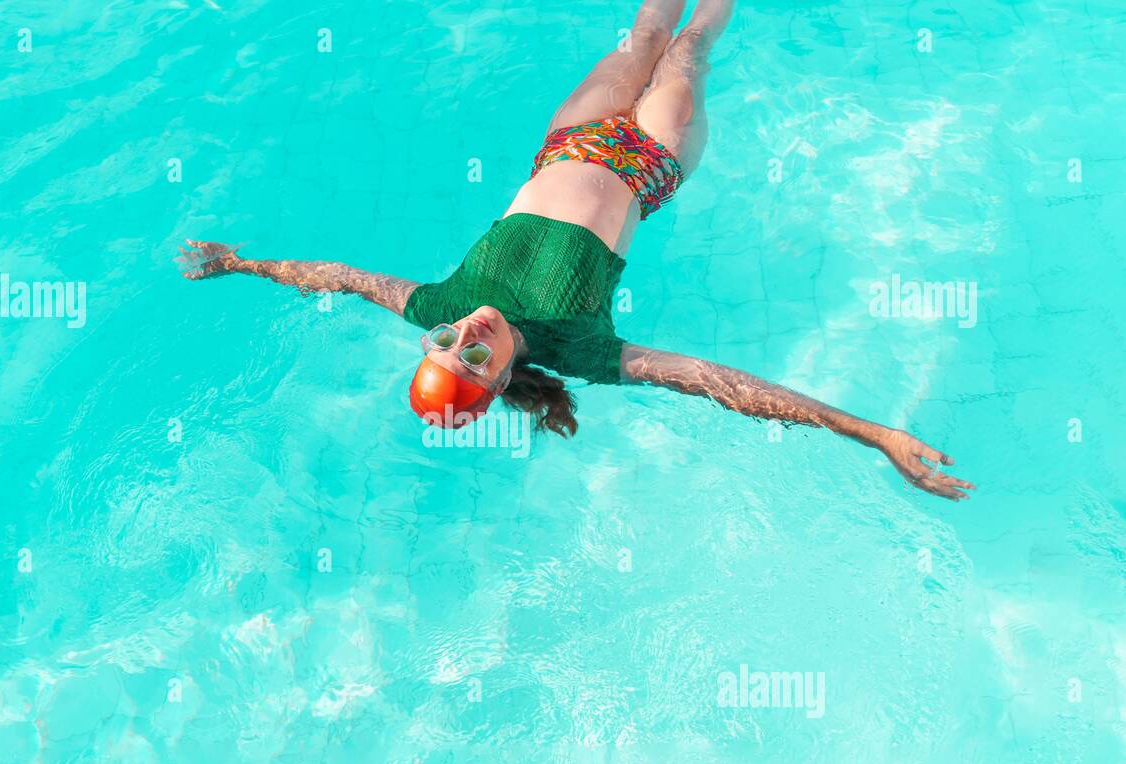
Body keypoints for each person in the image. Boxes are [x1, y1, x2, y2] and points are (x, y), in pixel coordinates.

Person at [179, 0, 973, 501]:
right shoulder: (580, 350)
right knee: (689, 47)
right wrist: (874, 434)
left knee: (647, 31)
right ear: (502, 378)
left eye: (446, 344)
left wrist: (241, 264)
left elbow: (341, 278)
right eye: (475, 359)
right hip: (649, 162)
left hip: (568, 142)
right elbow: (724, 386)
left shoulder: (439, 305)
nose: (468, 336)